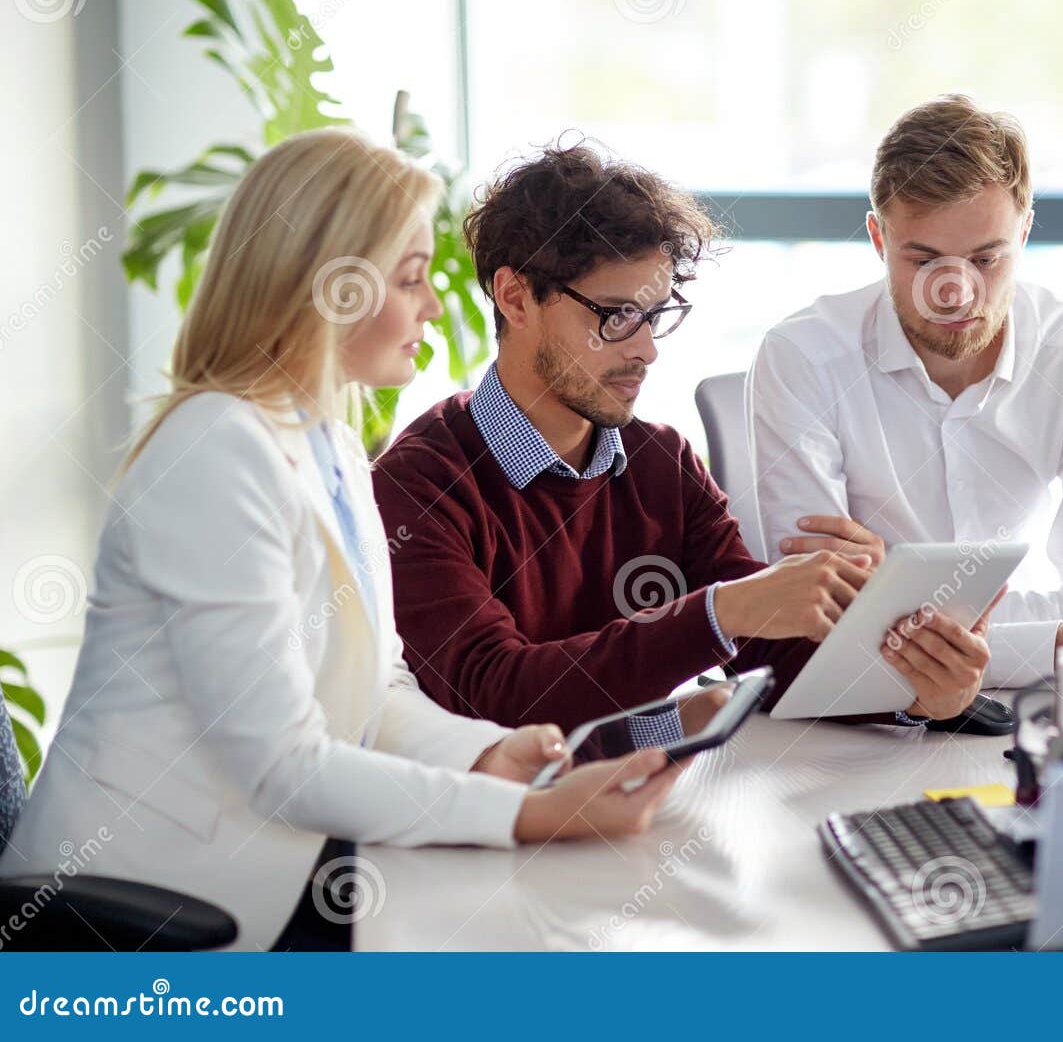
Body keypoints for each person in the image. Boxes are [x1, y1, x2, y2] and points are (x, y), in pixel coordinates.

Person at [0, 129, 681, 952]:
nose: (433, 304)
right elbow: (282, 765)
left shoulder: (330, 440)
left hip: (279, 873)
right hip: (142, 916)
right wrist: (529, 810)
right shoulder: (212, 448)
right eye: (411, 278)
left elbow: (374, 692)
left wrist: (490, 754)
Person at [373, 139, 995, 733]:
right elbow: (495, 692)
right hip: (494, 832)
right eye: (616, 316)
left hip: (644, 806)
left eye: (656, 316)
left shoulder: (660, 463)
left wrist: (914, 690)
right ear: (515, 297)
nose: (646, 350)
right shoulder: (417, 486)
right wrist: (719, 612)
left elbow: (769, 658)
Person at [749, 94, 1063, 688]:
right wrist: (1057, 644)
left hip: (1013, 714)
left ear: (1026, 232)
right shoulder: (803, 357)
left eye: (986, 259)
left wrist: (894, 593)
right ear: (879, 240)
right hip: (856, 722)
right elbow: (821, 618)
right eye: (924, 260)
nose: (956, 294)